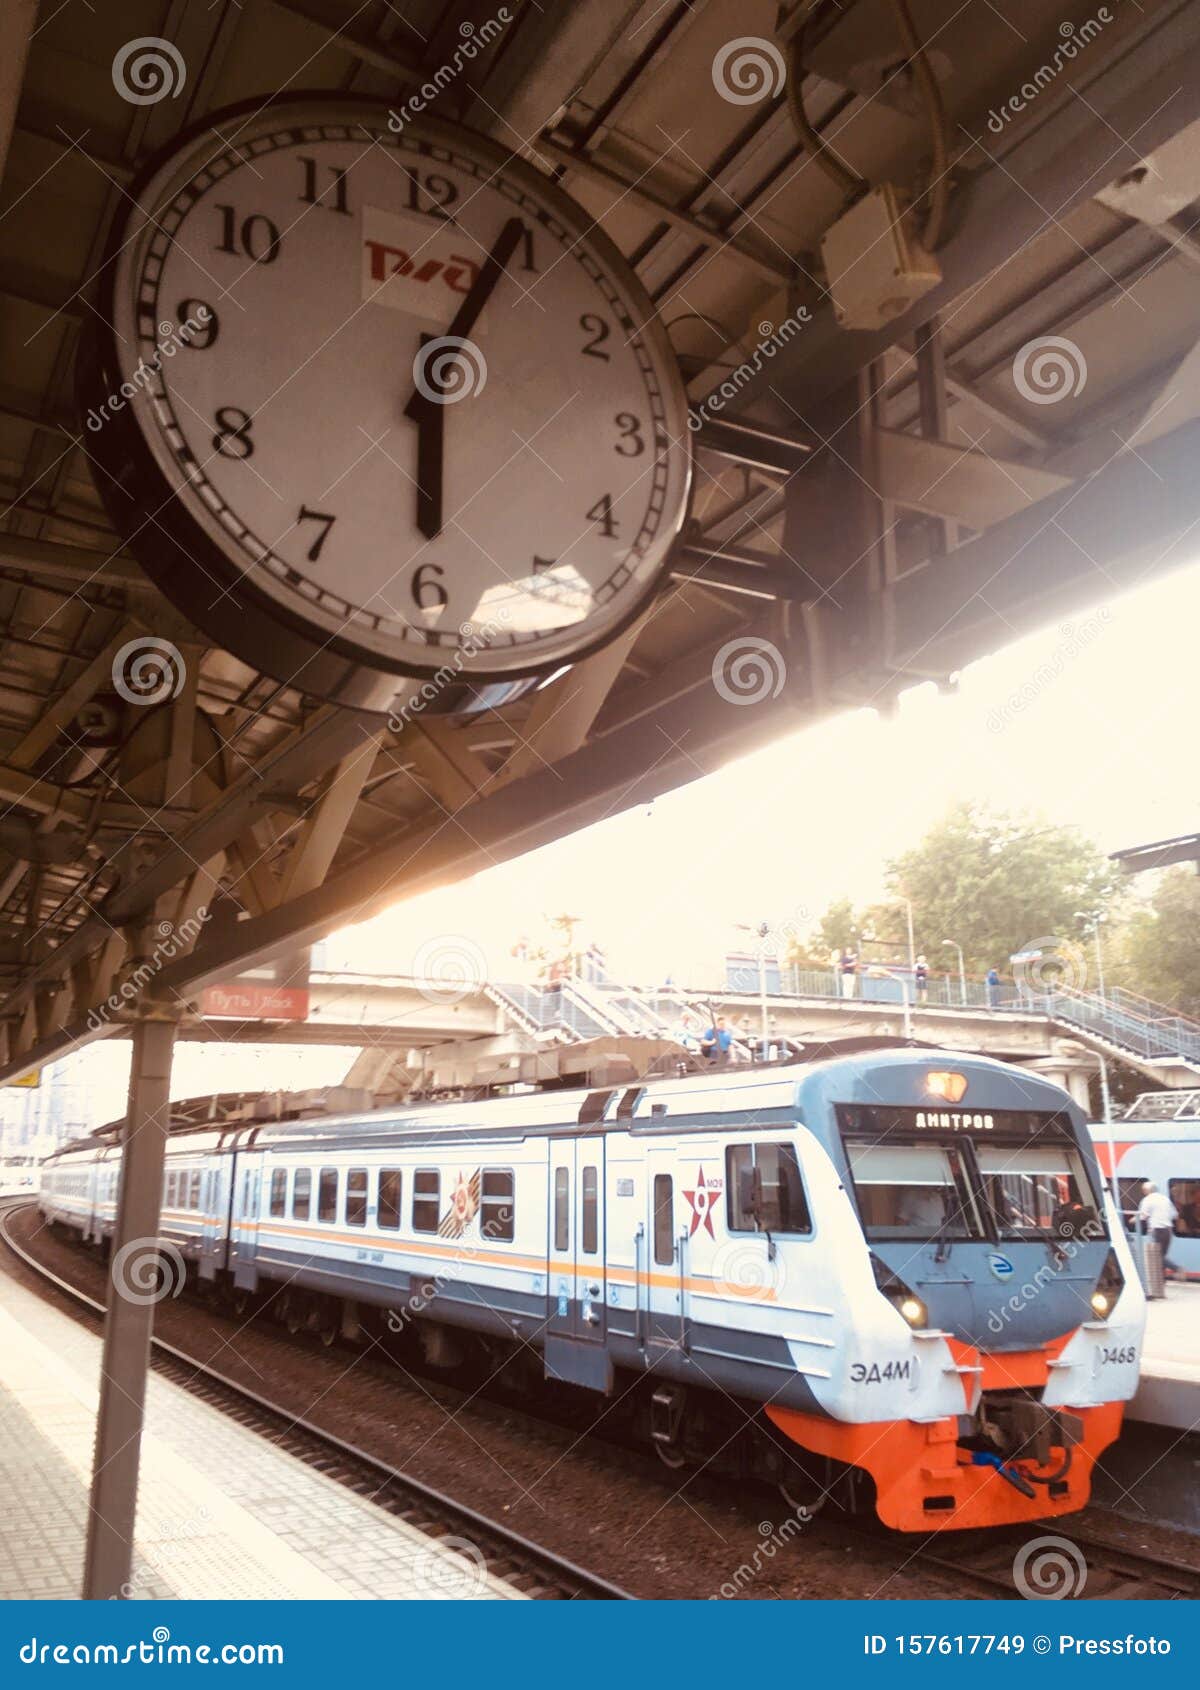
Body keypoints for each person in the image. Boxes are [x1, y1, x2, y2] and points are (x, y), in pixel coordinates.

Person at [1137, 1181, 1178, 1295]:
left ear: (1146, 1190)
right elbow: (1174, 1214)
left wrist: (1132, 1219)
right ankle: (1161, 1283)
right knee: (1162, 1256)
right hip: (1168, 1230)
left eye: (1143, 1190)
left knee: (1158, 1257)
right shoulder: (1165, 1199)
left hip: (1157, 1230)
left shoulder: (1147, 1200)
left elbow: (1143, 1216)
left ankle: (1177, 1268)